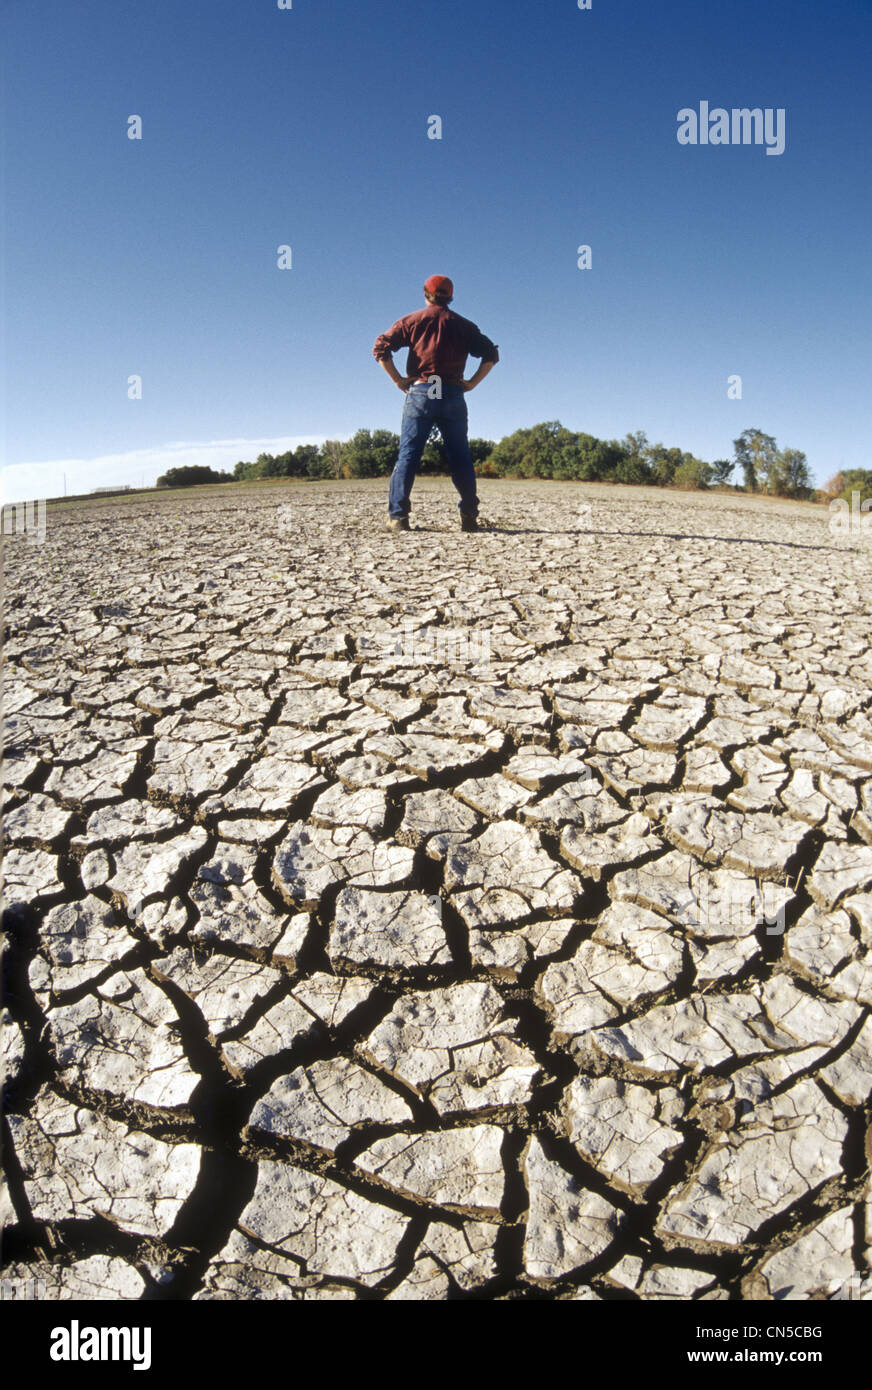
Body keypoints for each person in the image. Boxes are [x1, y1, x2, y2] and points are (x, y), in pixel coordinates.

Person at [372, 275, 499, 532]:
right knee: (461, 457)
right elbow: (491, 354)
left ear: (426, 294)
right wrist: (472, 382)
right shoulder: (464, 326)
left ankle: (398, 518)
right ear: (450, 297)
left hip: (422, 391)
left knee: (408, 455)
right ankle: (469, 517)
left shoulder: (412, 321)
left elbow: (380, 347)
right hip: (451, 392)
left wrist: (398, 379)